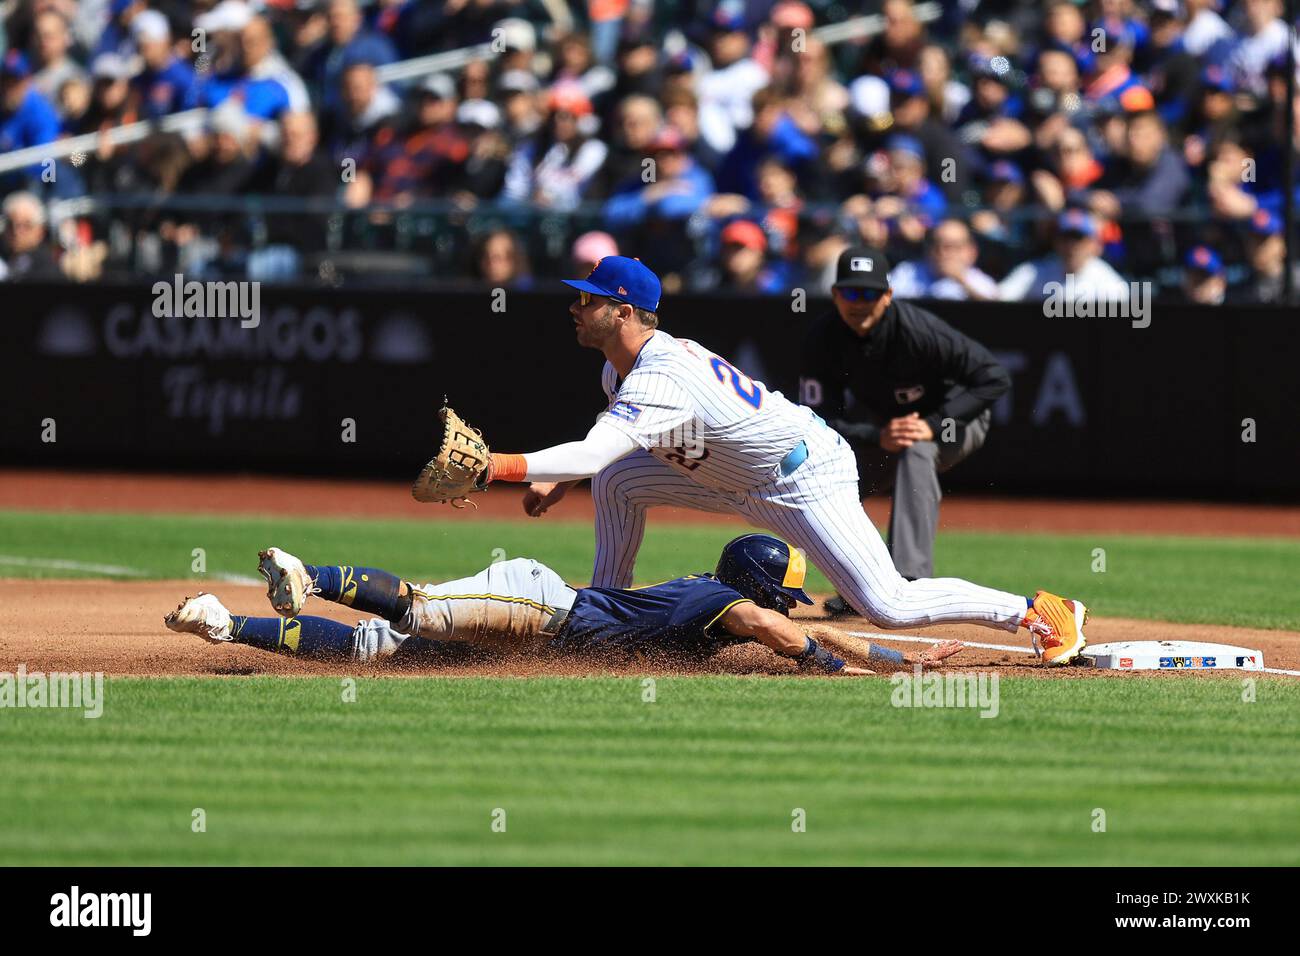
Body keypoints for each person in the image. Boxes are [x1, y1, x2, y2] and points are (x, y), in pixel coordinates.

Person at [418, 255, 1091, 665]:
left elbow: (597, 447)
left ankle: (1039, 610)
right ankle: (607, 616)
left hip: (802, 476)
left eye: (587, 299)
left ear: (623, 312)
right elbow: (612, 449)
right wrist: (558, 478)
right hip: (731, 479)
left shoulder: (660, 372)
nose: (574, 306)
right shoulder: (620, 373)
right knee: (620, 480)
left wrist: (500, 467)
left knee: (888, 603)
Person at [163, 537, 965, 676]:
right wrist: (827, 664)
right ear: (760, 586)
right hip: (539, 606)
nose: (784, 603)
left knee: (375, 655)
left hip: (535, 642)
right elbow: (777, 628)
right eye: (780, 591)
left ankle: (225, 623)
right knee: (423, 612)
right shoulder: (725, 603)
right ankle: (314, 576)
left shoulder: (718, 596)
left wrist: (902, 661)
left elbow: (817, 626)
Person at [800, 245, 1007, 609]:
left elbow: (992, 378)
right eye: (850, 292)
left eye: (869, 293)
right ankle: (861, 587)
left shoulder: (919, 330)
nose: (858, 302)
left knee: (916, 448)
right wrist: (876, 436)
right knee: (835, 474)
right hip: (881, 427)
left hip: (953, 420)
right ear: (835, 295)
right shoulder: (822, 338)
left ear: (888, 296)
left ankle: (908, 583)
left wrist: (932, 424)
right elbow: (816, 421)